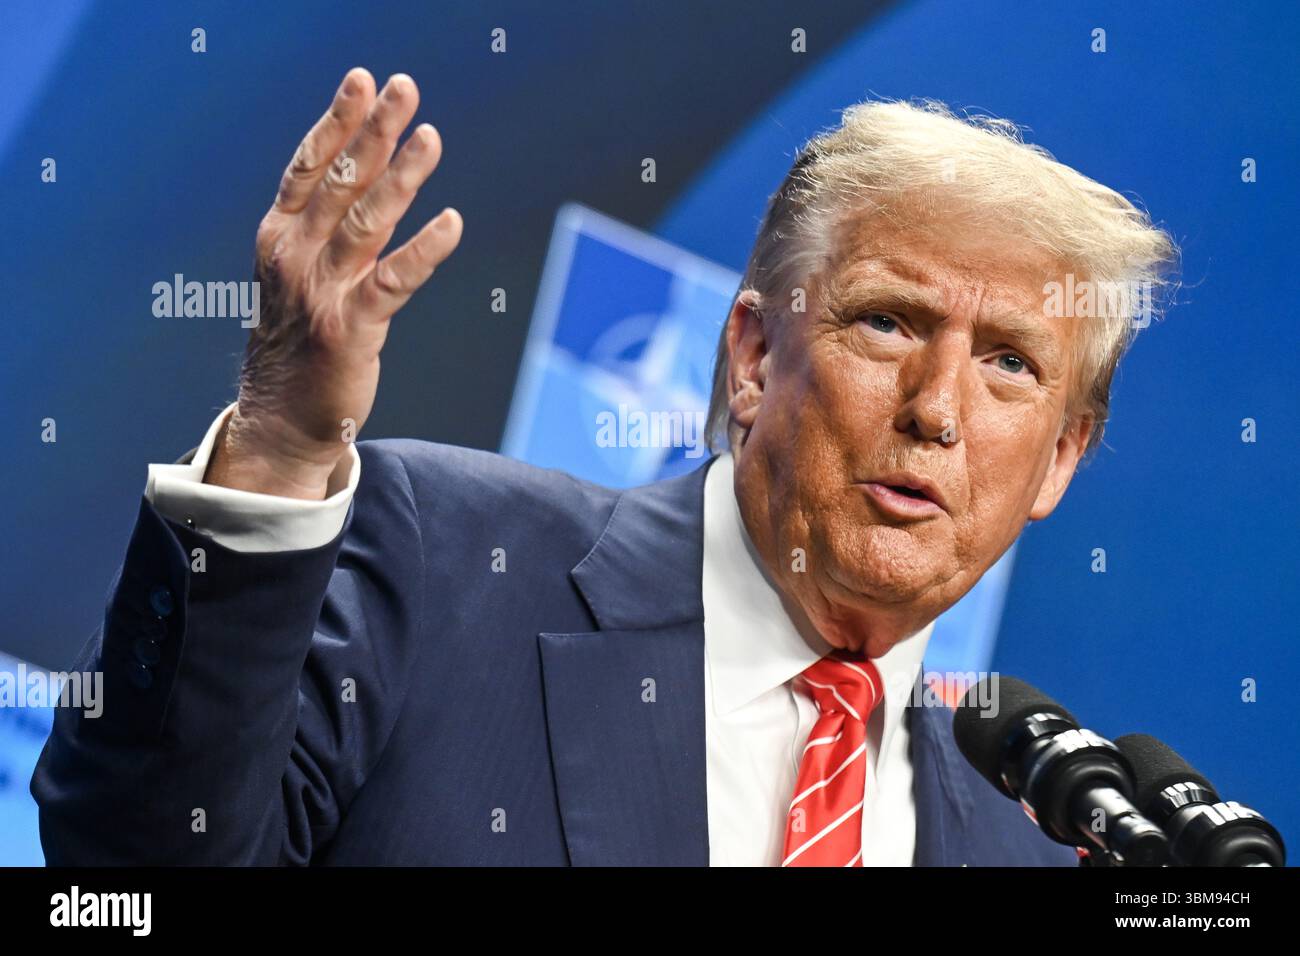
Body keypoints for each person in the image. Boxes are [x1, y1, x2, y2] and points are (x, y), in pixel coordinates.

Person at [32, 68, 1176, 866]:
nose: (936, 410)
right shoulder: (442, 559)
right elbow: (128, 870)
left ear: (1059, 461)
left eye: (1011, 364)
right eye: (885, 322)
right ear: (752, 353)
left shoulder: (1022, 834)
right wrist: (280, 442)